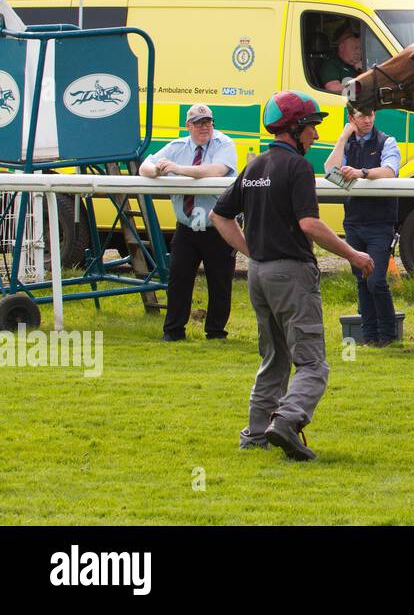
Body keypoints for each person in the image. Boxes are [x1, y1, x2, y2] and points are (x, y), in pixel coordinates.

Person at [211, 91, 374, 461]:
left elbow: (219, 216)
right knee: (313, 362)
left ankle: (255, 434)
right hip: (292, 276)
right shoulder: (297, 168)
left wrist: (253, 251)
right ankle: (286, 420)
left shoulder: (255, 166)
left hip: (259, 275)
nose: (315, 135)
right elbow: (310, 224)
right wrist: (353, 254)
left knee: (274, 358)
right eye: (312, 127)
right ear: (296, 127)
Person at [141, 104, 239, 342]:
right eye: (199, 123)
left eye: (208, 122)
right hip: (186, 227)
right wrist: (157, 171)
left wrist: (177, 169)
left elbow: (216, 171)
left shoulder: (224, 144)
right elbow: (145, 166)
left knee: (220, 283)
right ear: (188, 126)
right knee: (178, 281)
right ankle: (173, 332)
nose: (205, 127)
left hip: (218, 227)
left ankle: (216, 333)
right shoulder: (177, 147)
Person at [324, 107, 401, 347]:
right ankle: (369, 337)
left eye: (370, 115)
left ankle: (388, 336)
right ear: (351, 119)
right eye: (361, 117)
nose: (367, 120)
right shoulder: (347, 144)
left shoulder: (387, 141)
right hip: (355, 221)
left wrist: (361, 173)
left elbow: (390, 171)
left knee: (376, 281)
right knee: (361, 280)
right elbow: (330, 172)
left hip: (380, 222)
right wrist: (343, 137)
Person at [321, 27, 364, 95]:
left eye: (360, 48)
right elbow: (333, 88)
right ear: (341, 47)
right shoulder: (331, 64)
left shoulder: (361, 64)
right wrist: (360, 89)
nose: (358, 52)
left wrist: (362, 70)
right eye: (354, 48)